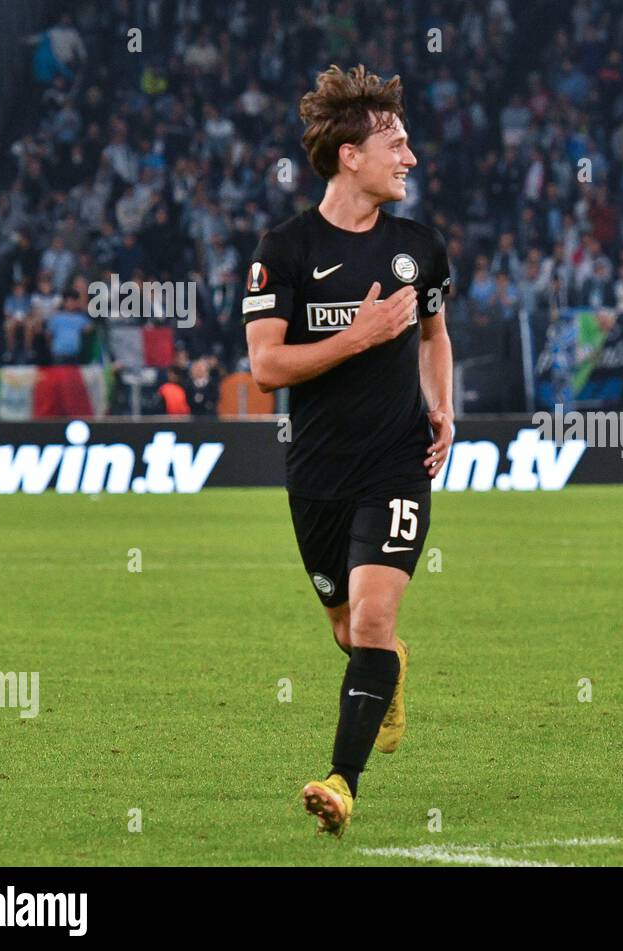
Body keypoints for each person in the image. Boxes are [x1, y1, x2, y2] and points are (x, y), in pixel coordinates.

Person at [242, 66, 454, 838]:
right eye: (396, 144)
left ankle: (341, 782)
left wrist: (443, 404)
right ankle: (387, 667)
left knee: (368, 620)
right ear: (349, 155)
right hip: (317, 472)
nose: (411, 159)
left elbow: (435, 334)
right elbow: (266, 368)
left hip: (396, 462)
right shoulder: (286, 249)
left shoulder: (418, 249)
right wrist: (357, 336)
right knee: (349, 631)